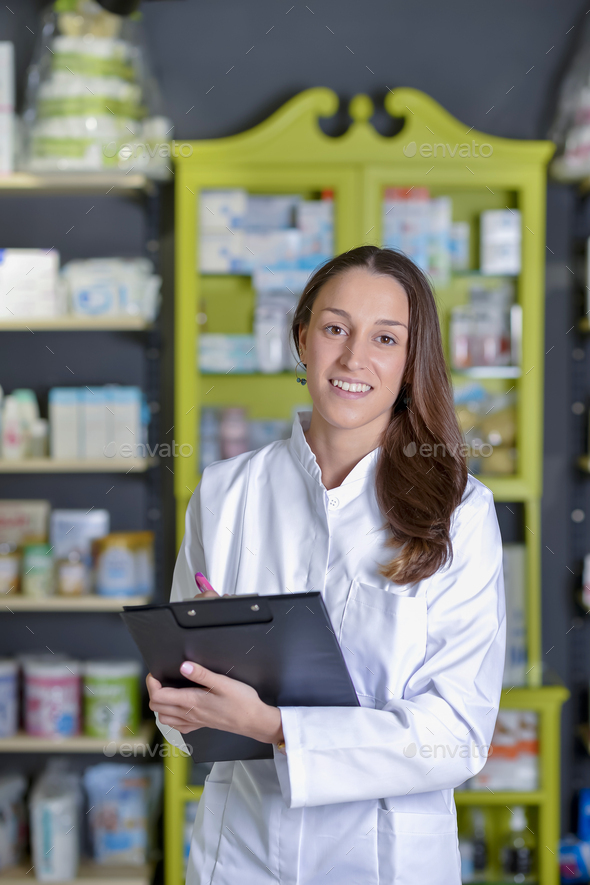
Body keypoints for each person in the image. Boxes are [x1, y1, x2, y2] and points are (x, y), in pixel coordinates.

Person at [146, 245, 506, 885]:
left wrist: (279, 729)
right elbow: (182, 695)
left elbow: (457, 731)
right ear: (302, 338)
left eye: (385, 338)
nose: (353, 359)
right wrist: (178, 710)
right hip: (241, 850)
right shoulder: (226, 492)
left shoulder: (460, 512)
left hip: (387, 859)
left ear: (408, 363)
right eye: (335, 328)